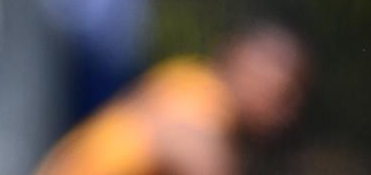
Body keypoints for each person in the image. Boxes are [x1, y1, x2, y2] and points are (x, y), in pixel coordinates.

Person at [35, 22, 308, 175]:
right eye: (284, 93)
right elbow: (182, 139)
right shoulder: (202, 103)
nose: (290, 111)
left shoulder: (183, 78)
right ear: (240, 62)